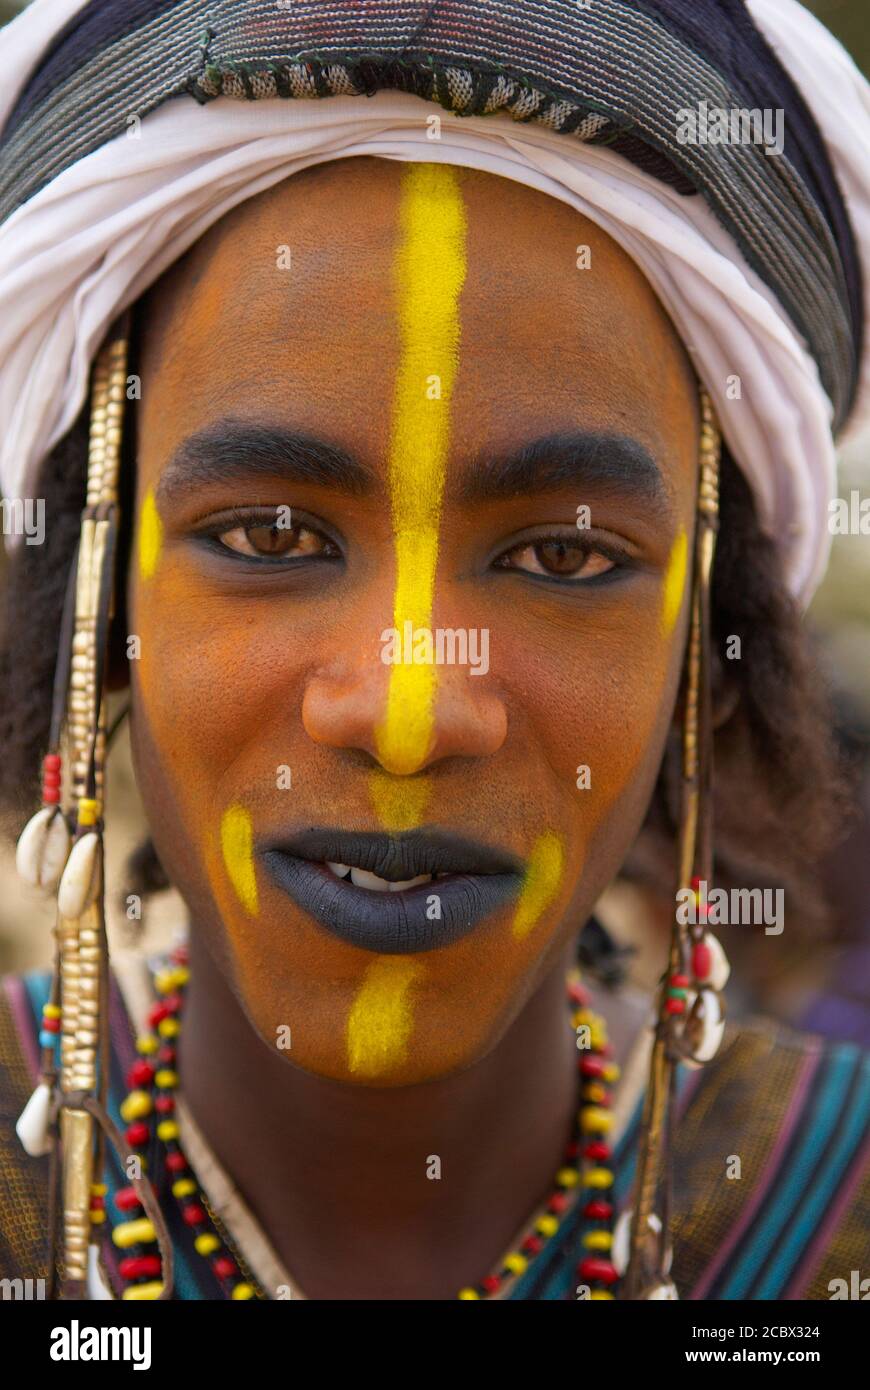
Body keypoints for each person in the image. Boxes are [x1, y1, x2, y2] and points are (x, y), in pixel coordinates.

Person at [0, 0, 867, 1301]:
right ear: (100, 608)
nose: (405, 710)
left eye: (562, 557)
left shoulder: (826, 1208)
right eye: (272, 536)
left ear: (709, 652)